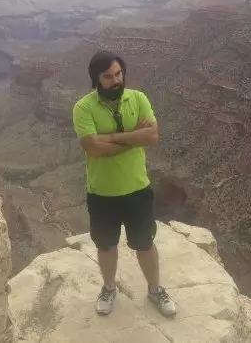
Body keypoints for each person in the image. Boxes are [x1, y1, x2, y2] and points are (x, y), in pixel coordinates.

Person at [72, 50, 176, 317]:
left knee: (144, 243)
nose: (115, 80)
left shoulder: (138, 98)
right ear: (96, 79)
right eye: (108, 76)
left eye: (118, 74)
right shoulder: (83, 107)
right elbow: (92, 148)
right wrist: (133, 137)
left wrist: (110, 138)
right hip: (102, 192)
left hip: (137, 189)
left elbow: (152, 135)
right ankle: (108, 288)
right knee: (106, 245)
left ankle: (155, 289)